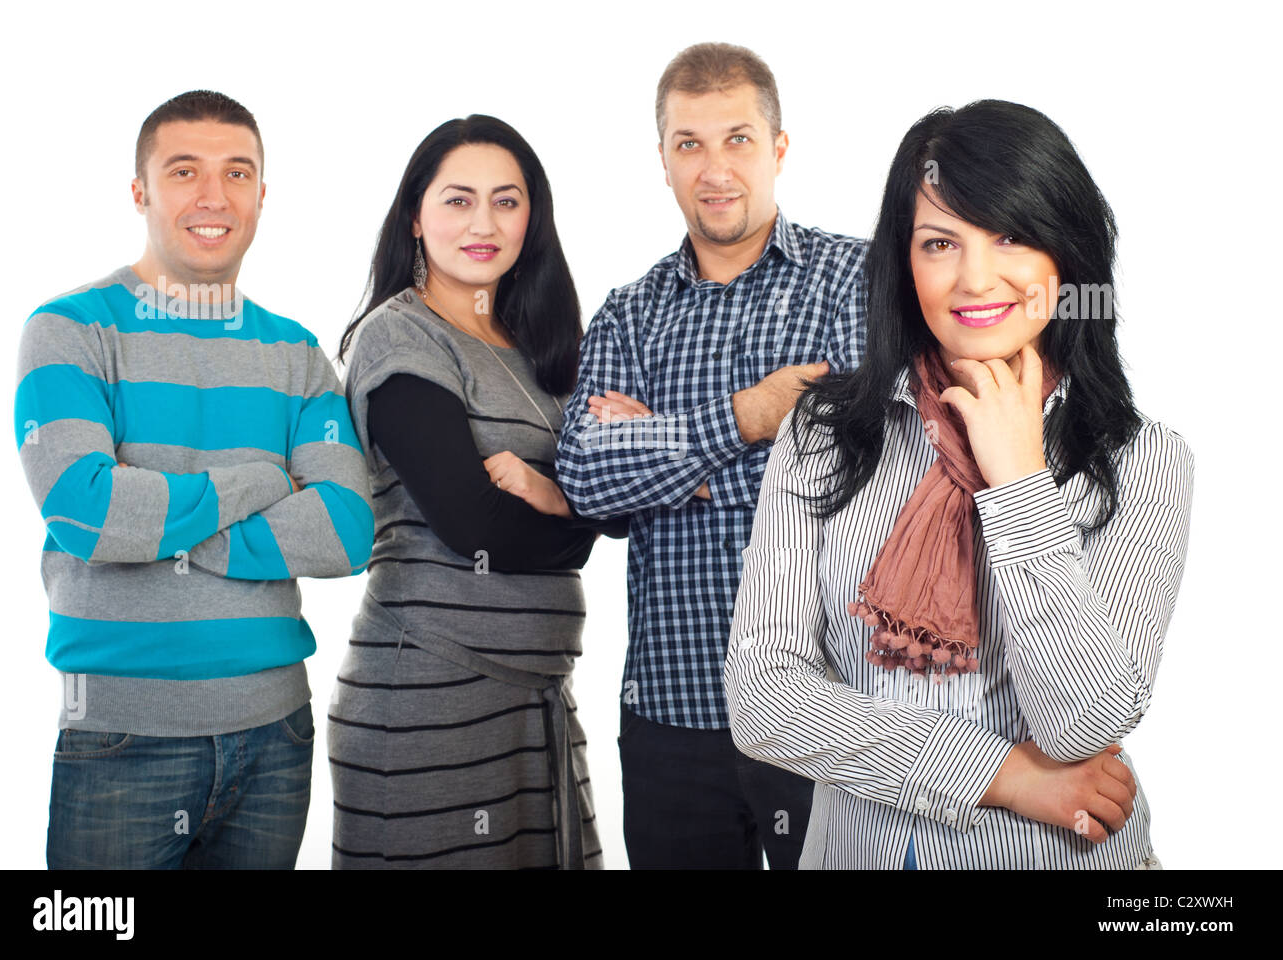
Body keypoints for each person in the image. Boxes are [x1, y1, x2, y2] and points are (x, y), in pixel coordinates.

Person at [724, 99, 1193, 869]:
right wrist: (1002, 775)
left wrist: (1017, 483)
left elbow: (1084, 720)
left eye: (1010, 236)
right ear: (905, 267)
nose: (976, 277)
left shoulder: (1144, 459)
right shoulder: (824, 432)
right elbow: (764, 698)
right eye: (940, 242)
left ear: (1066, 258)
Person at [15, 90, 374, 869]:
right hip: (120, 742)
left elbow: (347, 531)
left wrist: (163, 518)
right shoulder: (70, 331)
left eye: (237, 173)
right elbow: (88, 514)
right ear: (140, 191)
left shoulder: (299, 353)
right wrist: (258, 481)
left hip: (277, 737)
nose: (214, 197)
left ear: (262, 195)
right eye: (185, 171)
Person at [554, 42, 868, 869]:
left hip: (825, 704)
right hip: (672, 714)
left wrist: (661, 453)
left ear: (779, 149)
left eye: (737, 139)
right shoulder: (627, 314)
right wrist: (752, 417)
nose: (714, 168)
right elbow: (586, 480)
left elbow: (862, 469)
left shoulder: (852, 280)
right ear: (662, 160)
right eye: (689, 143)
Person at [332, 115, 624, 870]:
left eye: (507, 200)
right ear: (415, 219)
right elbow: (475, 523)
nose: (485, 224)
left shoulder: (540, 348)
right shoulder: (401, 336)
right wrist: (577, 511)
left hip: (537, 701)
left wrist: (561, 499)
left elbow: (619, 499)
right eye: (459, 201)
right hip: (431, 697)